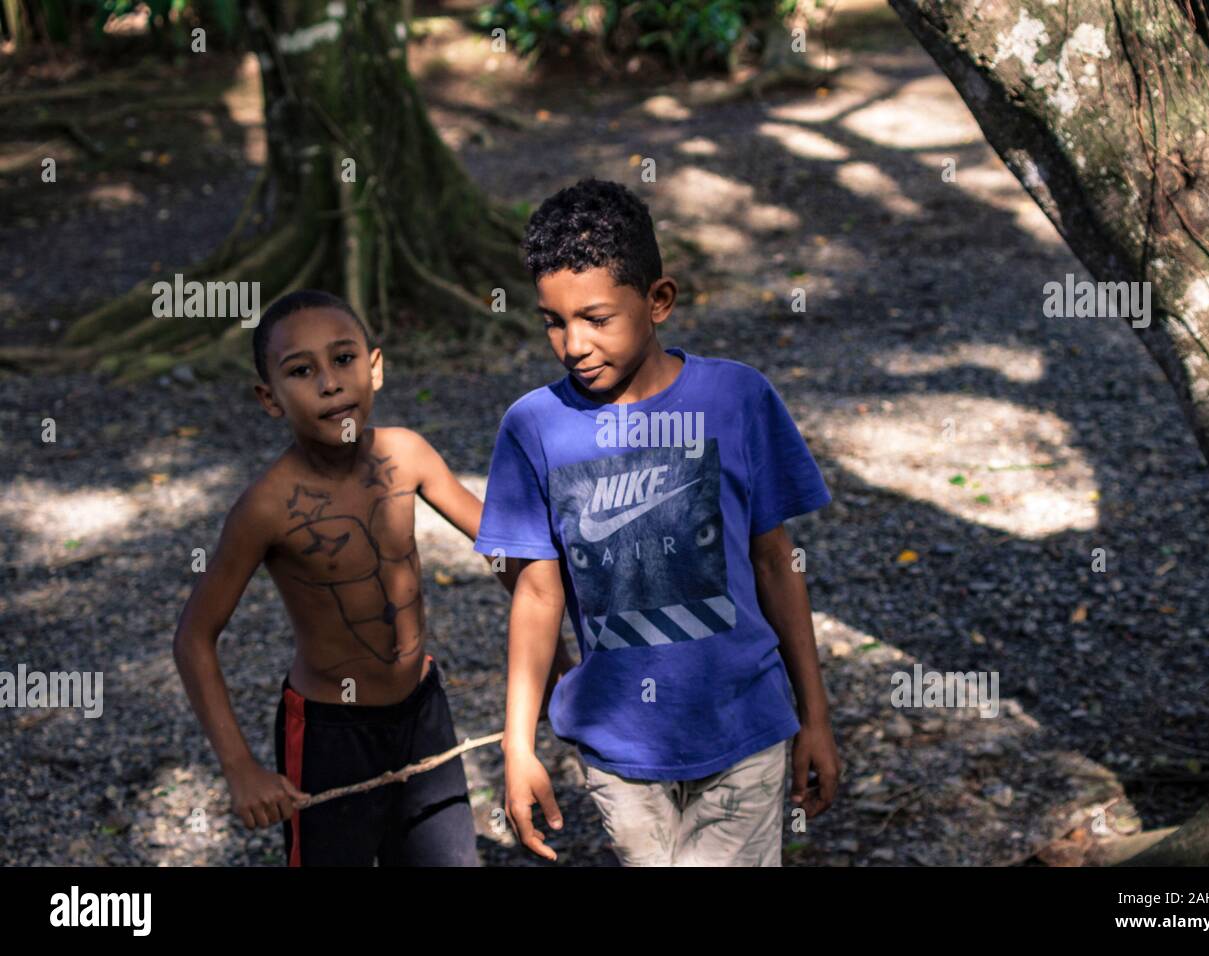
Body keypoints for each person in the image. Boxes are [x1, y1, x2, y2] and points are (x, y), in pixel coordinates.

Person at [476, 178, 840, 866]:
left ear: (659, 301)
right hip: (617, 748)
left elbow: (774, 561)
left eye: (596, 317)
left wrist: (815, 717)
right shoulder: (533, 427)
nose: (572, 344)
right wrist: (517, 744)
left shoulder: (737, 398)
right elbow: (536, 593)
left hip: (745, 724)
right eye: (553, 321)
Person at [172, 289, 568, 866]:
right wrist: (239, 768)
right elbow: (193, 637)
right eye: (301, 371)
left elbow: (509, 555)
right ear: (270, 398)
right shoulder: (266, 507)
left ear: (375, 367)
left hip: (423, 712)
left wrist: (559, 660)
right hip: (331, 734)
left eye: (344, 359)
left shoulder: (408, 456)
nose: (330, 383)